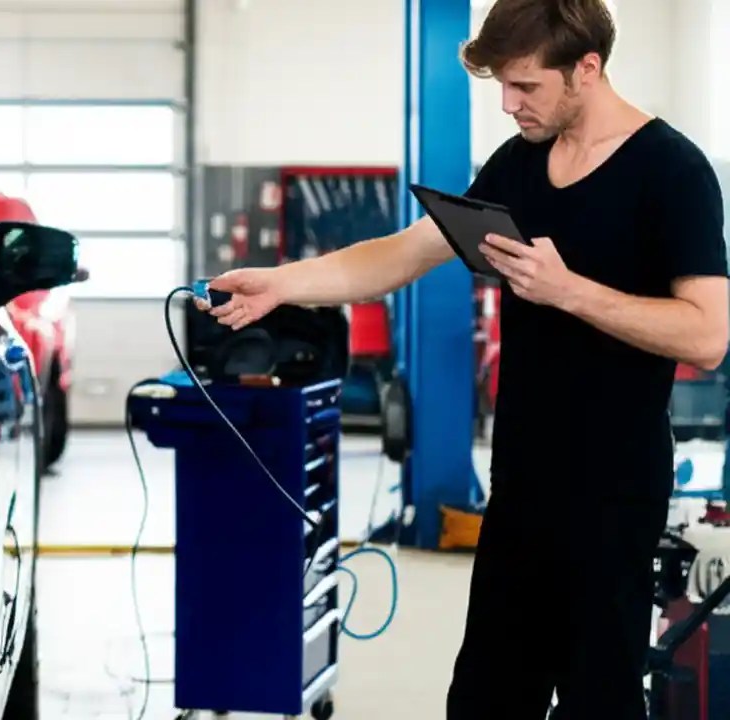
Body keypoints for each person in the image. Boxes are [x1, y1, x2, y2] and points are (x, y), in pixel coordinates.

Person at [195, 0, 729, 717]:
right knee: (484, 697)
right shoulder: (518, 164)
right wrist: (279, 284)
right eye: (502, 87)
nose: (509, 105)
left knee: (598, 700)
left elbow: (706, 334)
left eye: (526, 88)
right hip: (518, 486)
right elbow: (400, 254)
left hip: (613, 493)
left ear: (587, 69)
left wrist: (570, 292)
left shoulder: (673, 172)